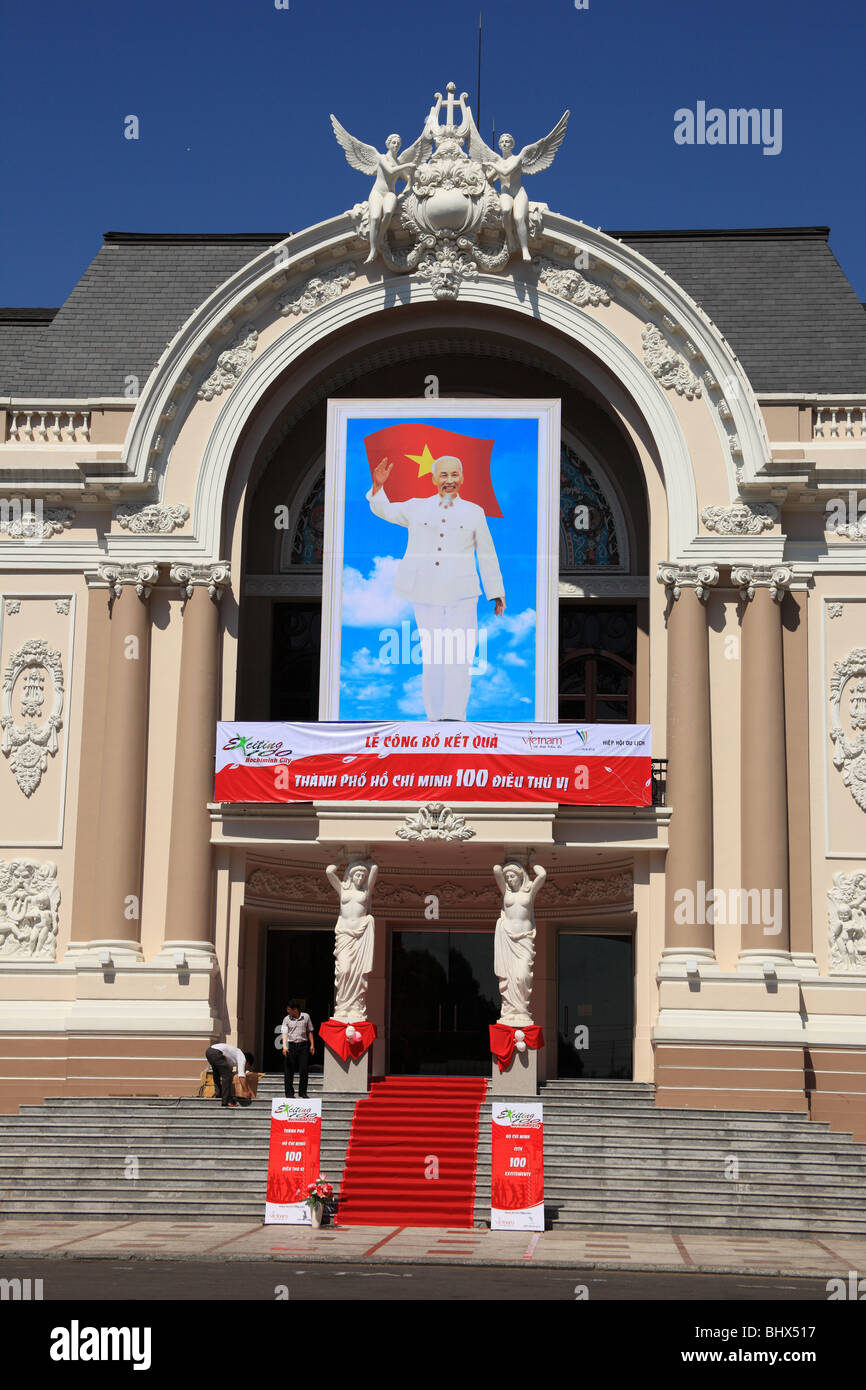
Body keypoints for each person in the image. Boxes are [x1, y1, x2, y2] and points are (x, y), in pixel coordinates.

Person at [367, 454, 505, 721]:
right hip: (425, 592)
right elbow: (385, 510)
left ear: (462, 479)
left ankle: (455, 716)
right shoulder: (416, 508)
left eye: (454, 475)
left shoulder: (474, 512)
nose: (449, 480)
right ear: (433, 479)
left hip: (463, 595)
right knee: (433, 655)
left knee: (460, 655)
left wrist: (496, 592)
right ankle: (434, 717)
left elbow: (487, 553)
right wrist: (378, 486)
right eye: (444, 475)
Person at [280, 1000, 315, 1099]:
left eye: (289, 1009)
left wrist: (312, 1045)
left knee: (304, 1070)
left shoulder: (306, 1017)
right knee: (288, 1070)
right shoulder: (286, 1019)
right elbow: (284, 1034)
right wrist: (284, 1047)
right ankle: (289, 1093)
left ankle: (302, 1092)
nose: (287, 1011)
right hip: (291, 1046)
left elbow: (310, 1031)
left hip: (303, 1046)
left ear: (295, 1010)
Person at [205, 1043, 255, 1108]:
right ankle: (227, 1101)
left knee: (216, 1074)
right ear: (247, 1062)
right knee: (228, 1076)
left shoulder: (233, 1056)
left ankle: (218, 1094)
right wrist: (246, 1091)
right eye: (247, 1066)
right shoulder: (242, 1057)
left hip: (209, 1051)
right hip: (216, 1052)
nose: (245, 1067)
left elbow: (224, 1070)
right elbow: (241, 1076)